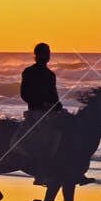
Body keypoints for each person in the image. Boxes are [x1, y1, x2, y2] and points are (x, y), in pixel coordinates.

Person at [19, 42, 65, 183]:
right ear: (37, 55)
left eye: (48, 53)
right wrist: (41, 103)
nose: (47, 56)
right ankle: (40, 174)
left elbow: (54, 96)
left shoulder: (50, 75)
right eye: (45, 53)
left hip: (50, 112)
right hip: (35, 111)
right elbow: (24, 94)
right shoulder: (28, 72)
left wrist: (59, 108)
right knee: (45, 138)